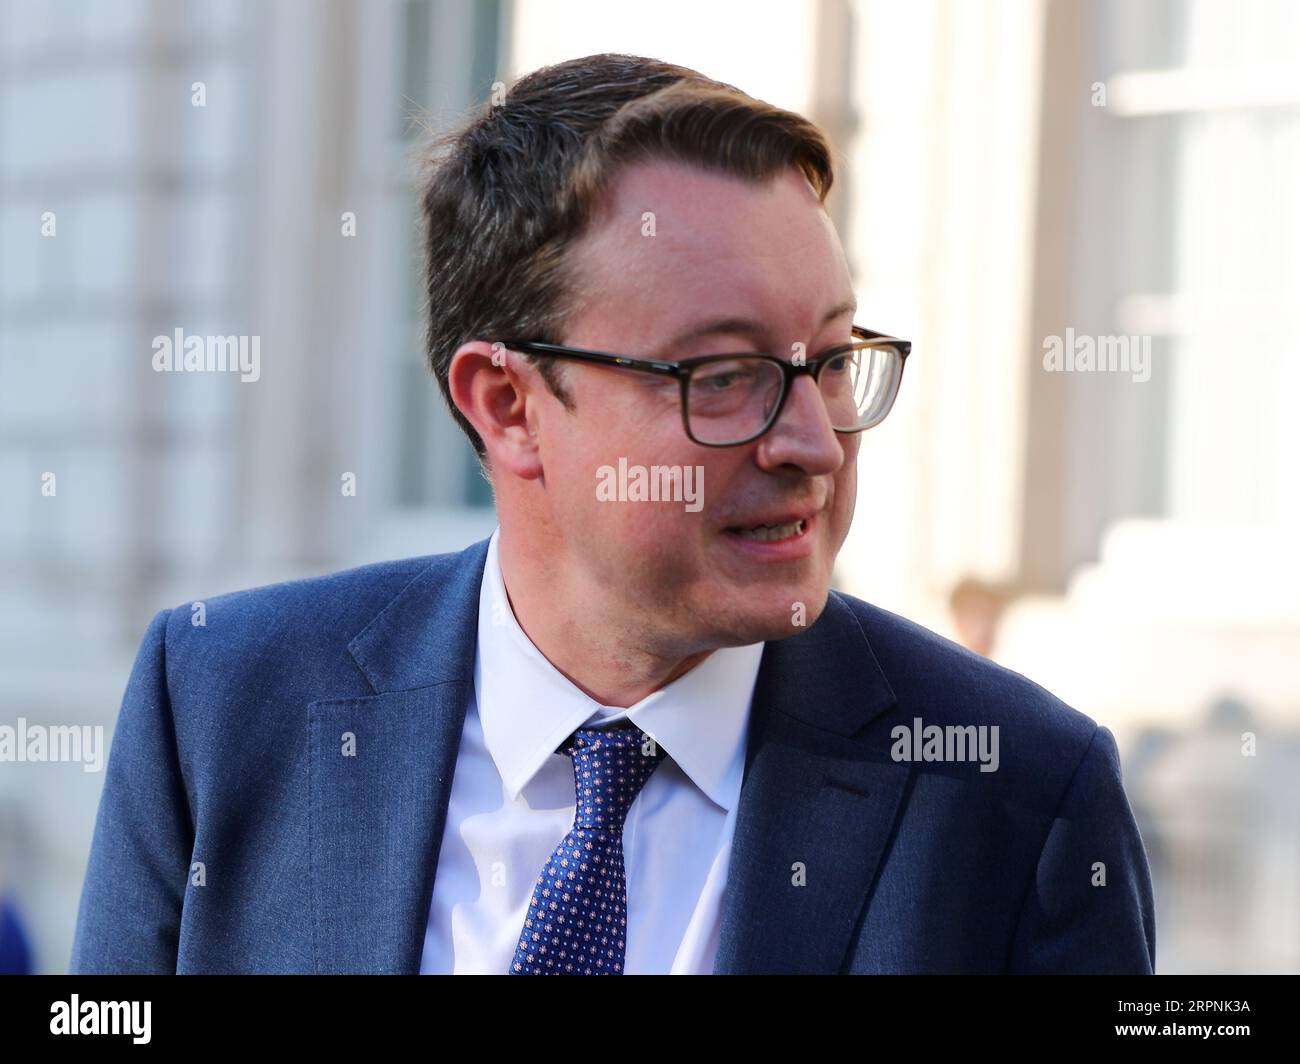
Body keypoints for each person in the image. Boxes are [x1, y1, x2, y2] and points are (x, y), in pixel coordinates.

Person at [70, 53, 1155, 974]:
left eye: (829, 359)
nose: (815, 443)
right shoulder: (218, 703)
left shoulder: (1018, 794)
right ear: (508, 406)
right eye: (723, 375)